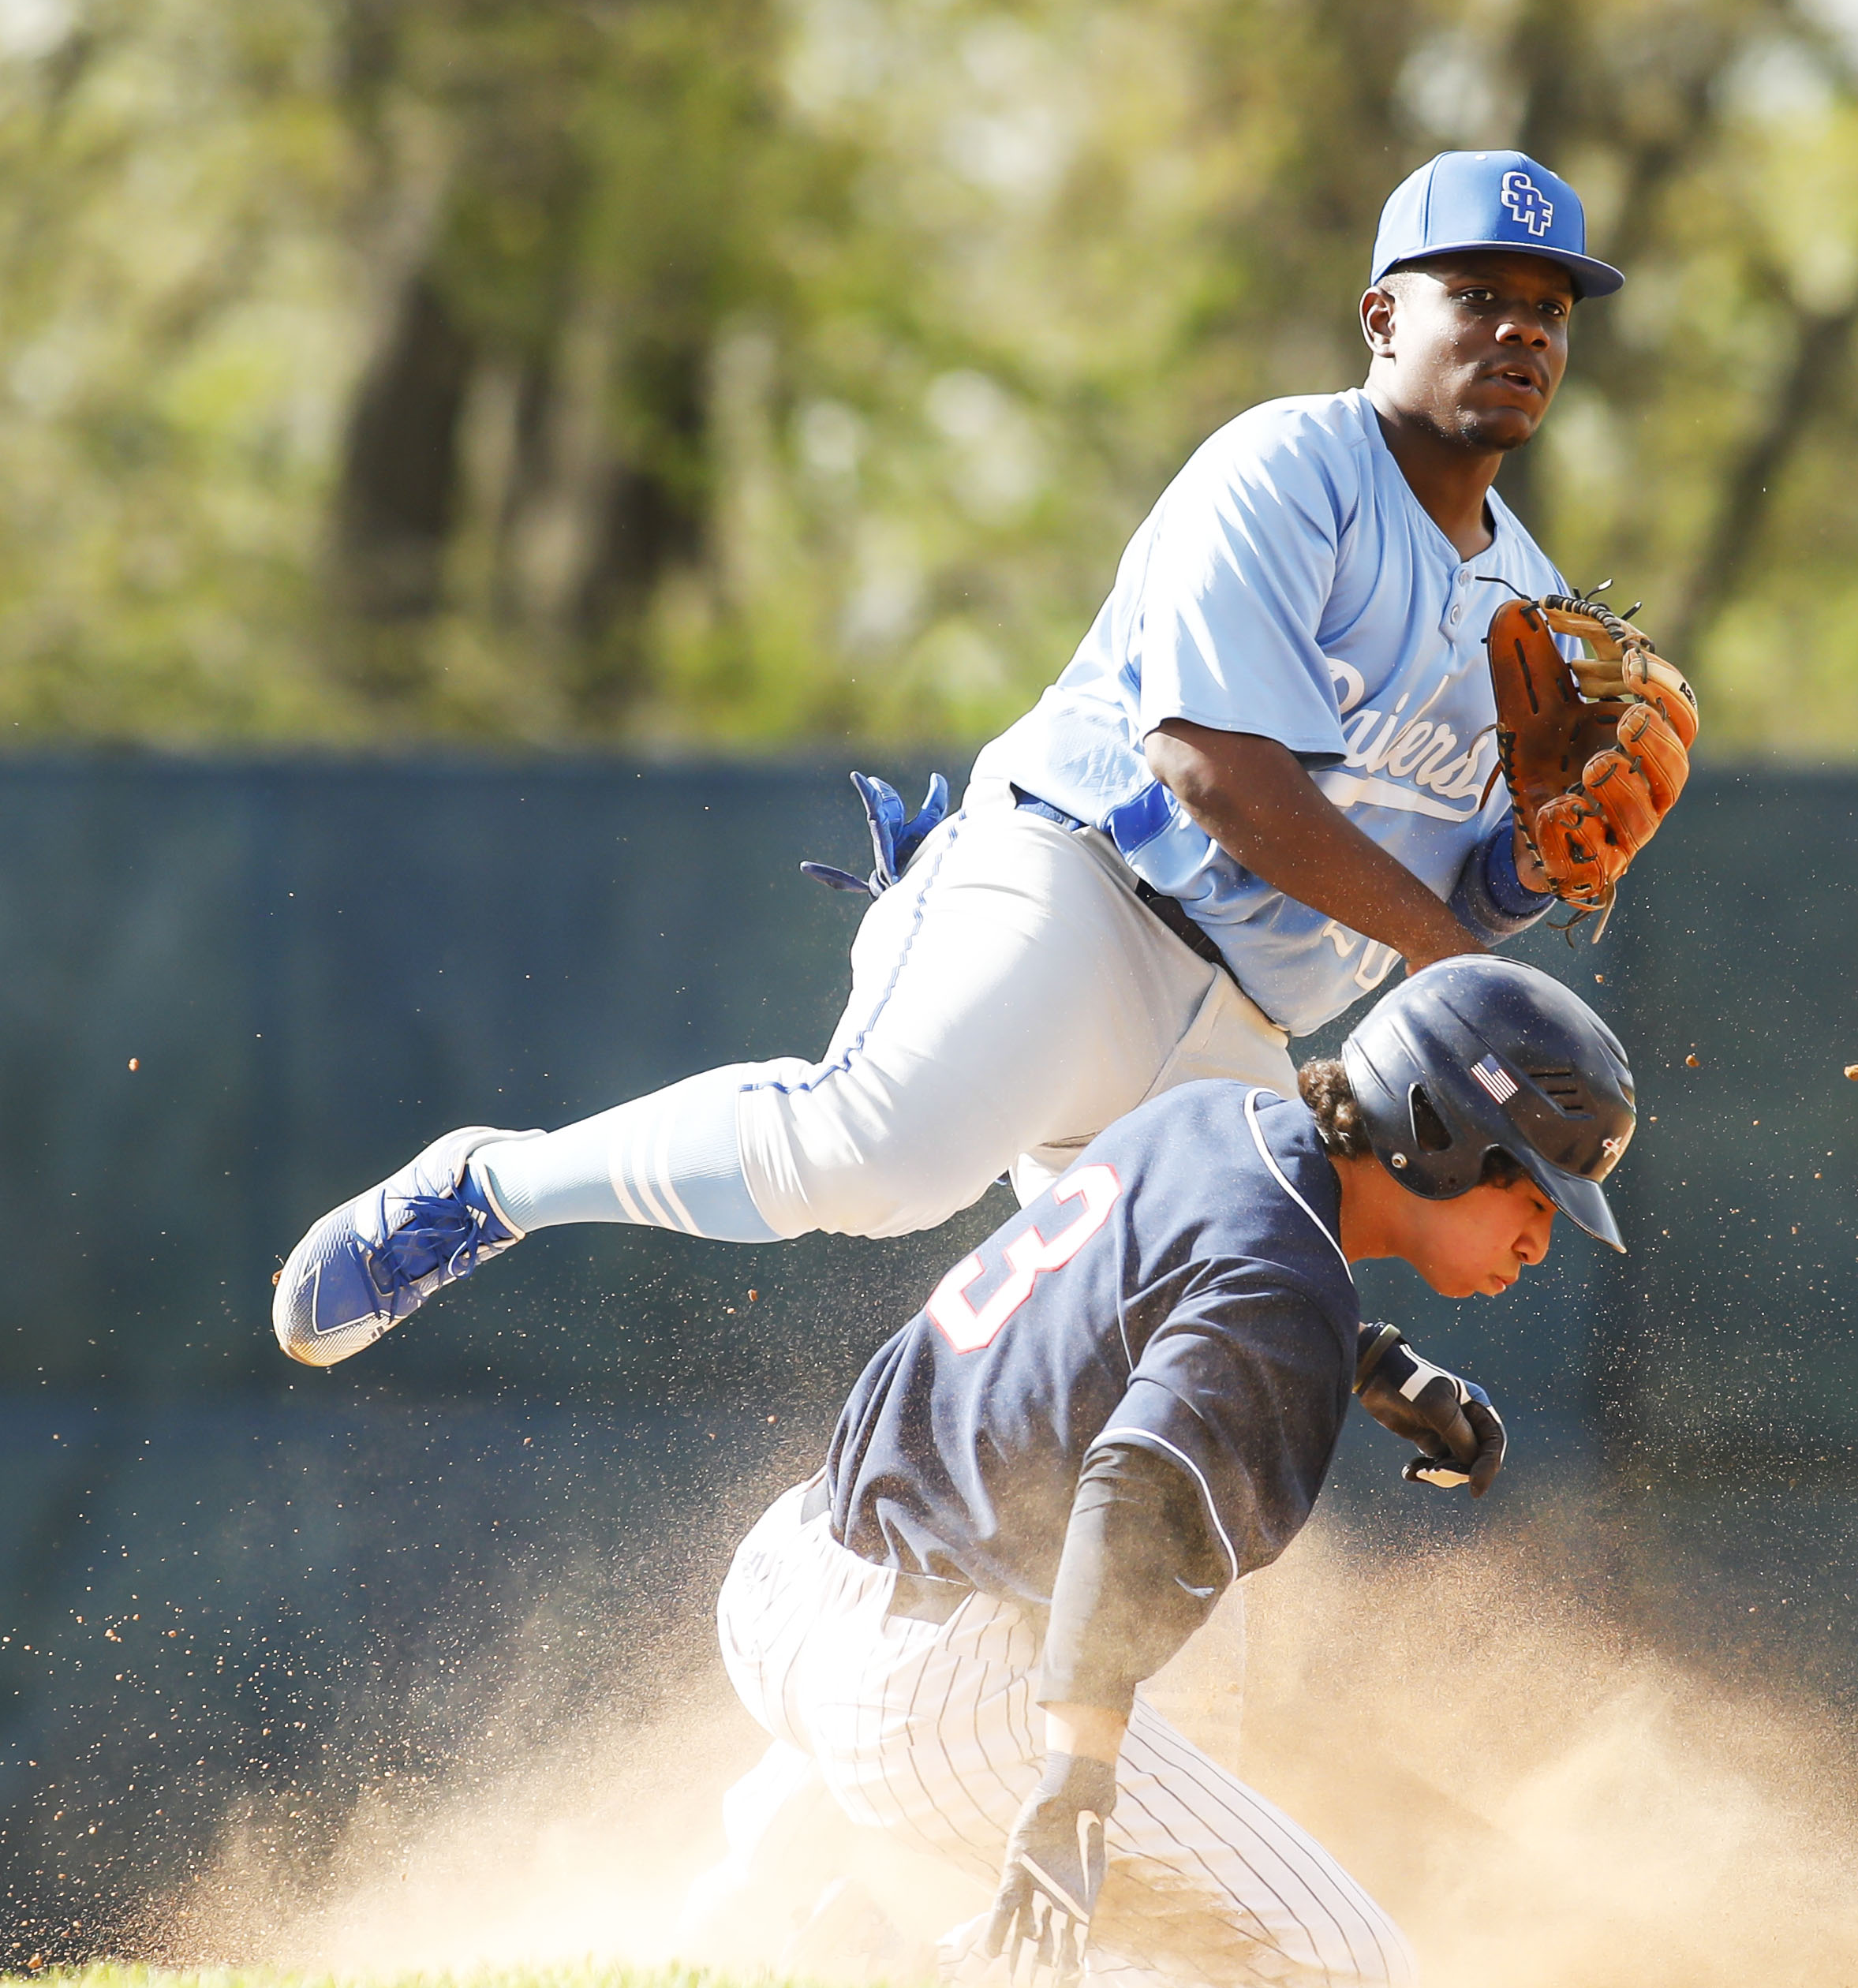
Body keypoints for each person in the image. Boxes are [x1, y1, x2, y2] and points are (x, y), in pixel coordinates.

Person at [269, 148, 1687, 1373]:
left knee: (1235, 1327)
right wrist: (1460, 962)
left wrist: (1521, 874)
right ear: (1383, 315)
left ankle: (1106, 1683)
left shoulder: (1536, 608)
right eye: (1480, 295)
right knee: (877, 1159)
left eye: (1548, 309)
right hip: (1080, 887)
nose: (1521, 331)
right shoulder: (1287, 470)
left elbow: (1452, 891)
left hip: (1241, 1027)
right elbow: (1215, 771)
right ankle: (488, 1187)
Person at [701, 956, 1635, 1988]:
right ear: (1438, 1127)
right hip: (925, 1697)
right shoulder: (1281, 1294)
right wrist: (1075, 1790)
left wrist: (1359, 1356)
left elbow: (1137, 1299)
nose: (1543, 1235)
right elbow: (1132, 1491)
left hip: (794, 1581)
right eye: (1532, 1188)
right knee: (1348, 1970)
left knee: (1077, 1608)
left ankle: (750, 1900)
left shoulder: (1216, 1117)